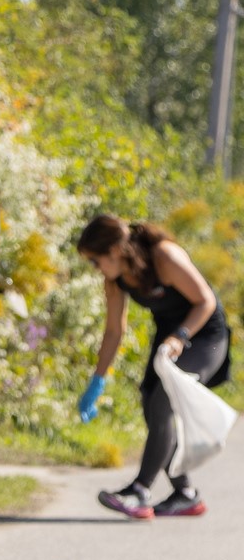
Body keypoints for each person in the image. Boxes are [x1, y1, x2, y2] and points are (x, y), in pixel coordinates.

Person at [76, 214, 229, 519]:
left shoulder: (165, 256)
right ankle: (185, 493)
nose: (96, 269)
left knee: (163, 403)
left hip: (204, 335)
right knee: (150, 402)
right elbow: (113, 331)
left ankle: (139, 490)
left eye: (95, 261)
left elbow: (205, 301)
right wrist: (98, 380)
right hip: (169, 336)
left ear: (114, 251)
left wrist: (181, 336)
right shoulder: (116, 278)